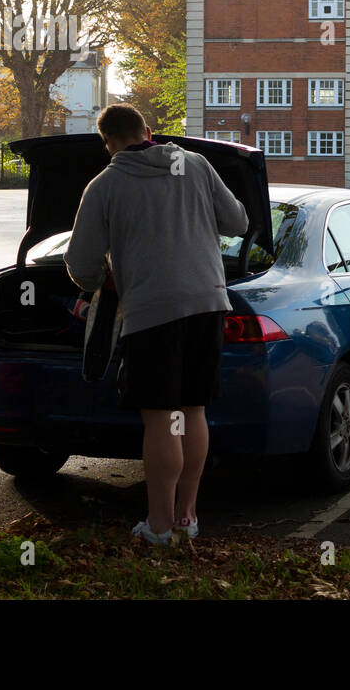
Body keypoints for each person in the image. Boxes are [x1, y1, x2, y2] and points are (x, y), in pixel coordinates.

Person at [65, 105, 248, 545]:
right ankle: (188, 517)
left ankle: (160, 527)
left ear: (107, 141)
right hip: (207, 303)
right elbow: (238, 222)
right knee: (193, 409)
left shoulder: (105, 184)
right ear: (148, 131)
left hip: (151, 312)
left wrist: (99, 282)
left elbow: (79, 263)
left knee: (162, 418)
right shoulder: (195, 164)